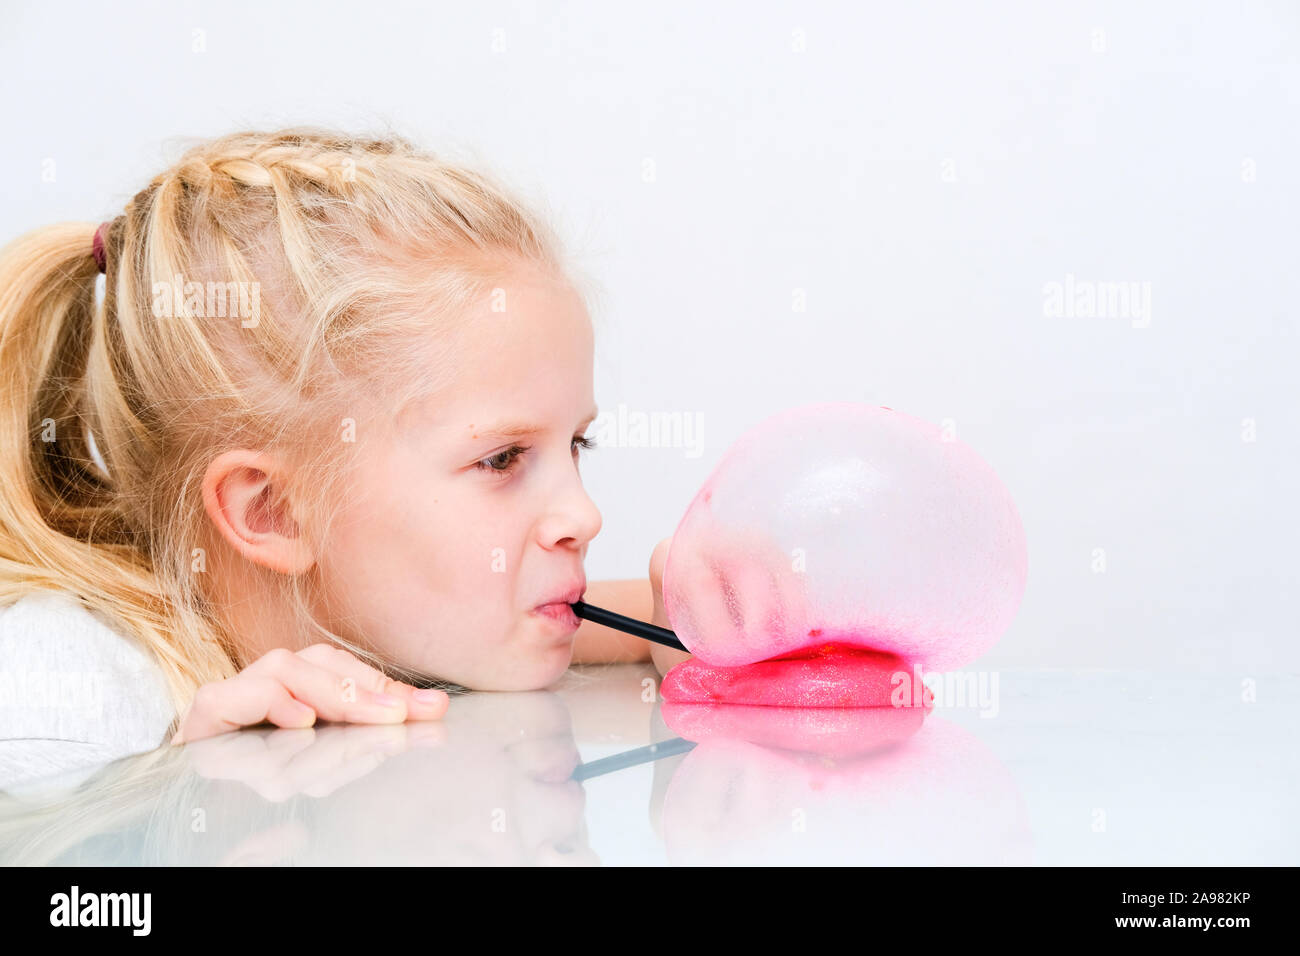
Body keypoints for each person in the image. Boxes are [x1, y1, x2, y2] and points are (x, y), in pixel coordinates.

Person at [0, 127, 690, 786]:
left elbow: (570, 613)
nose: (584, 515)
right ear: (272, 511)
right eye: (503, 459)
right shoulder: (56, 703)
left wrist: (687, 617)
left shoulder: (399, 618)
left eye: (576, 444)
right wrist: (180, 808)